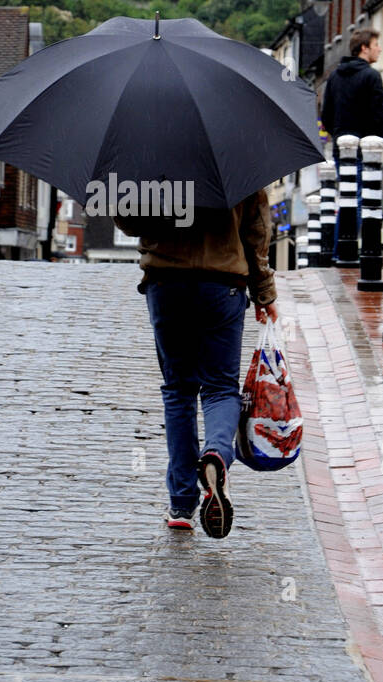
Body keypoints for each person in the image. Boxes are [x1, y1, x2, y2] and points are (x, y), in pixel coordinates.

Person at [117, 189, 278, 540]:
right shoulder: (238, 155)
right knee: (221, 387)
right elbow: (256, 230)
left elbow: (128, 222)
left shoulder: (147, 158)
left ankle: (180, 504)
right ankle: (217, 455)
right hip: (223, 285)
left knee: (178, 391)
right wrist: (264, 293)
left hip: (166, 282)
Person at [321, 29, 383, 247]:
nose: (379, 48)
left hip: (342, 148)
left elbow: (326, 115)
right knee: (361, 198)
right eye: (376, 44)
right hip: (366, 149)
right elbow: (379, 114)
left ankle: (337, 249)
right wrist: (377, 142)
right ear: (364, 48)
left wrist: (340, 136)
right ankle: (345, 250)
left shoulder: (334, 77)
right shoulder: (371, 76)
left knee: (347, 198)